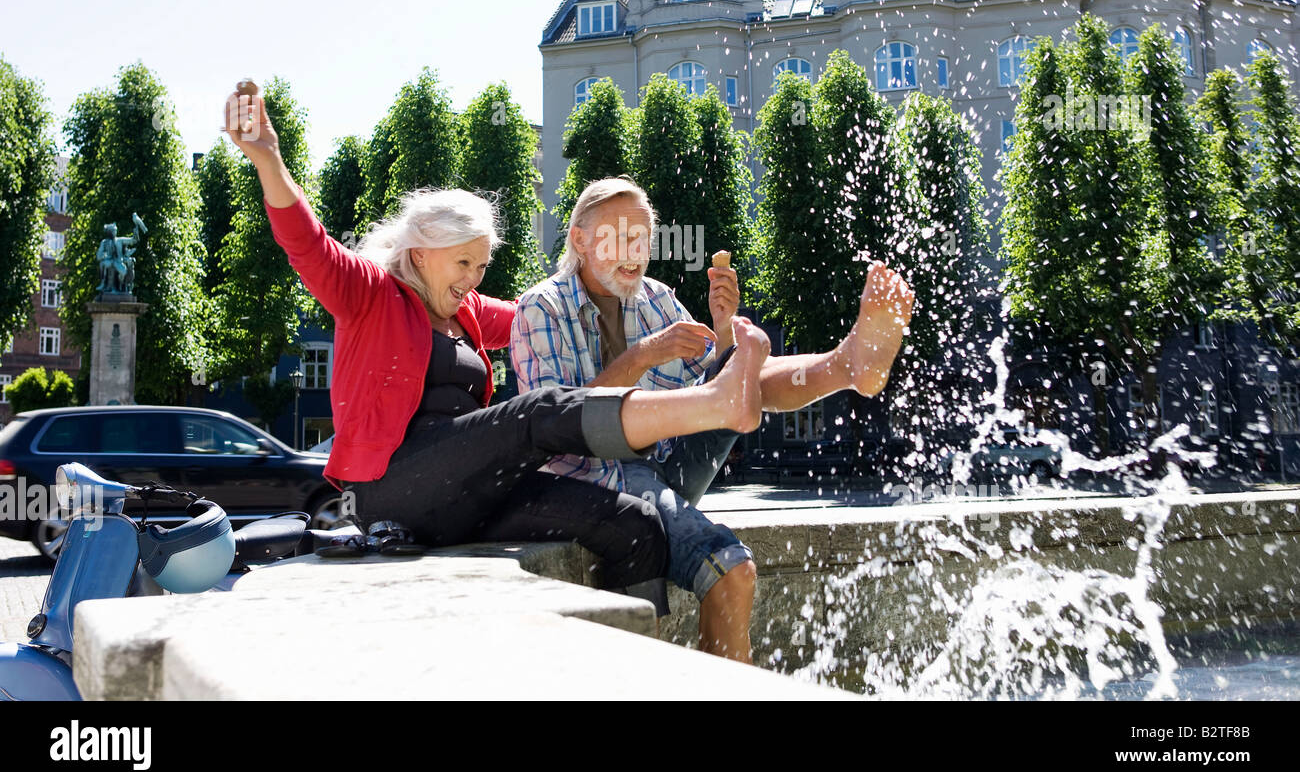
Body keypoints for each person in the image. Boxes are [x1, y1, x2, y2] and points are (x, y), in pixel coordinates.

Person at [223, 86, 774, 612]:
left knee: (633, 522)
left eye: (481, 266)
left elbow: (549, 314)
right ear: (421, 254)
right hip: (395, 488)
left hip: (471, 491)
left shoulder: (467, 311)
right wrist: (268, 158)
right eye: (463, 263)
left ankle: (637, 659)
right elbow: (308, 245)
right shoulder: (370, 295)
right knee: (535, 411)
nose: (472, 278)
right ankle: (712, 404)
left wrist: (681, 316)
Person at [511, 176, 915, 661]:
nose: (634, 252)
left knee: (738, 375)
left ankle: (846, 365)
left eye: (642, 238)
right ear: (579, 240)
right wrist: (641, 356)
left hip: (669, 463)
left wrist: (724, 335)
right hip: (595, 480)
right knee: (733, 570)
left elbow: (718, 379)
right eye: (619, 238)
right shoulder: (541, 307)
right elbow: (555, 427)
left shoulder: (657, 299)